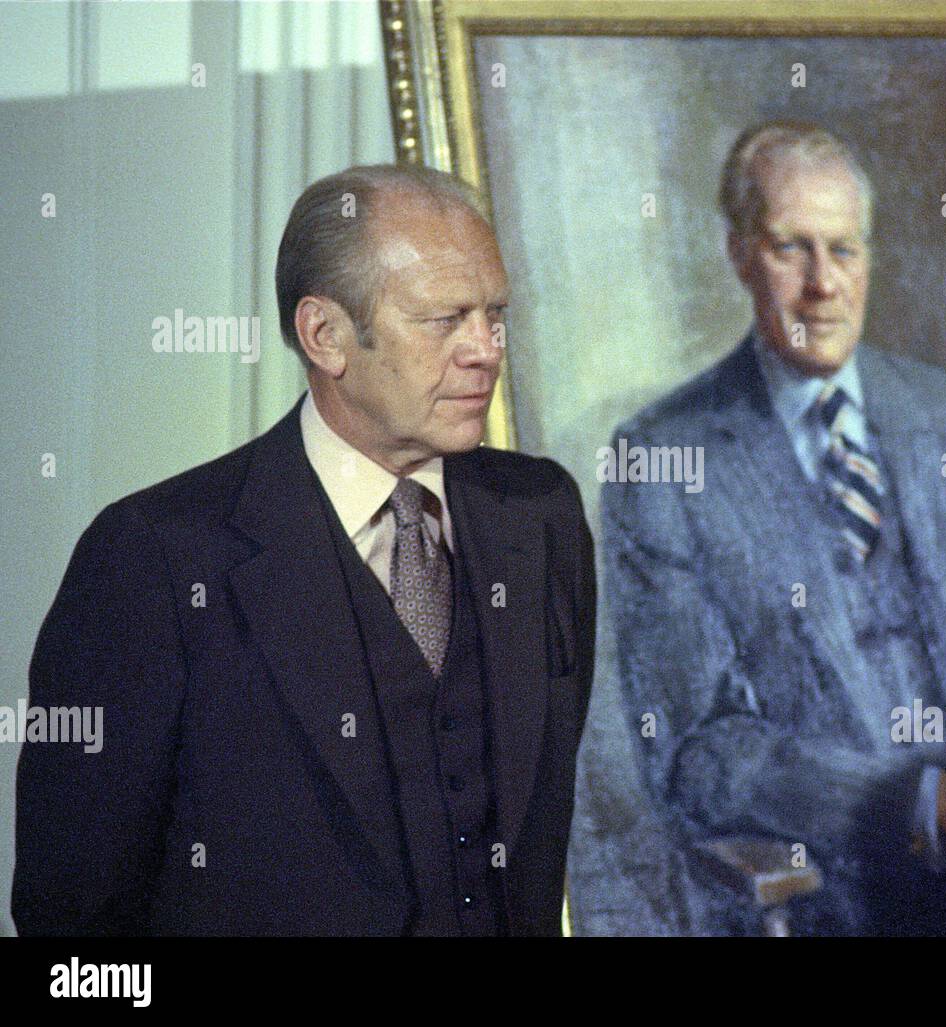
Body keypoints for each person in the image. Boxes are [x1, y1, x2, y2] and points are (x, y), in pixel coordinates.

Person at [13, 164, 595, 936]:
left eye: (495, 314)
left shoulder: (540, 514)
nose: (485, 349)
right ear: (324, 336)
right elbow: (73, 928)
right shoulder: (157, 559)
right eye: (443, 319)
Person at [602, 122, 946, 935]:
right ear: (739, 252)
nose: (824, 285)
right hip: (846, 888)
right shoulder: (663, 458)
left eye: (845, 251)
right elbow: (697, 753)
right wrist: (929, 801)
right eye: (790, 249)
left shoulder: (935, 406)